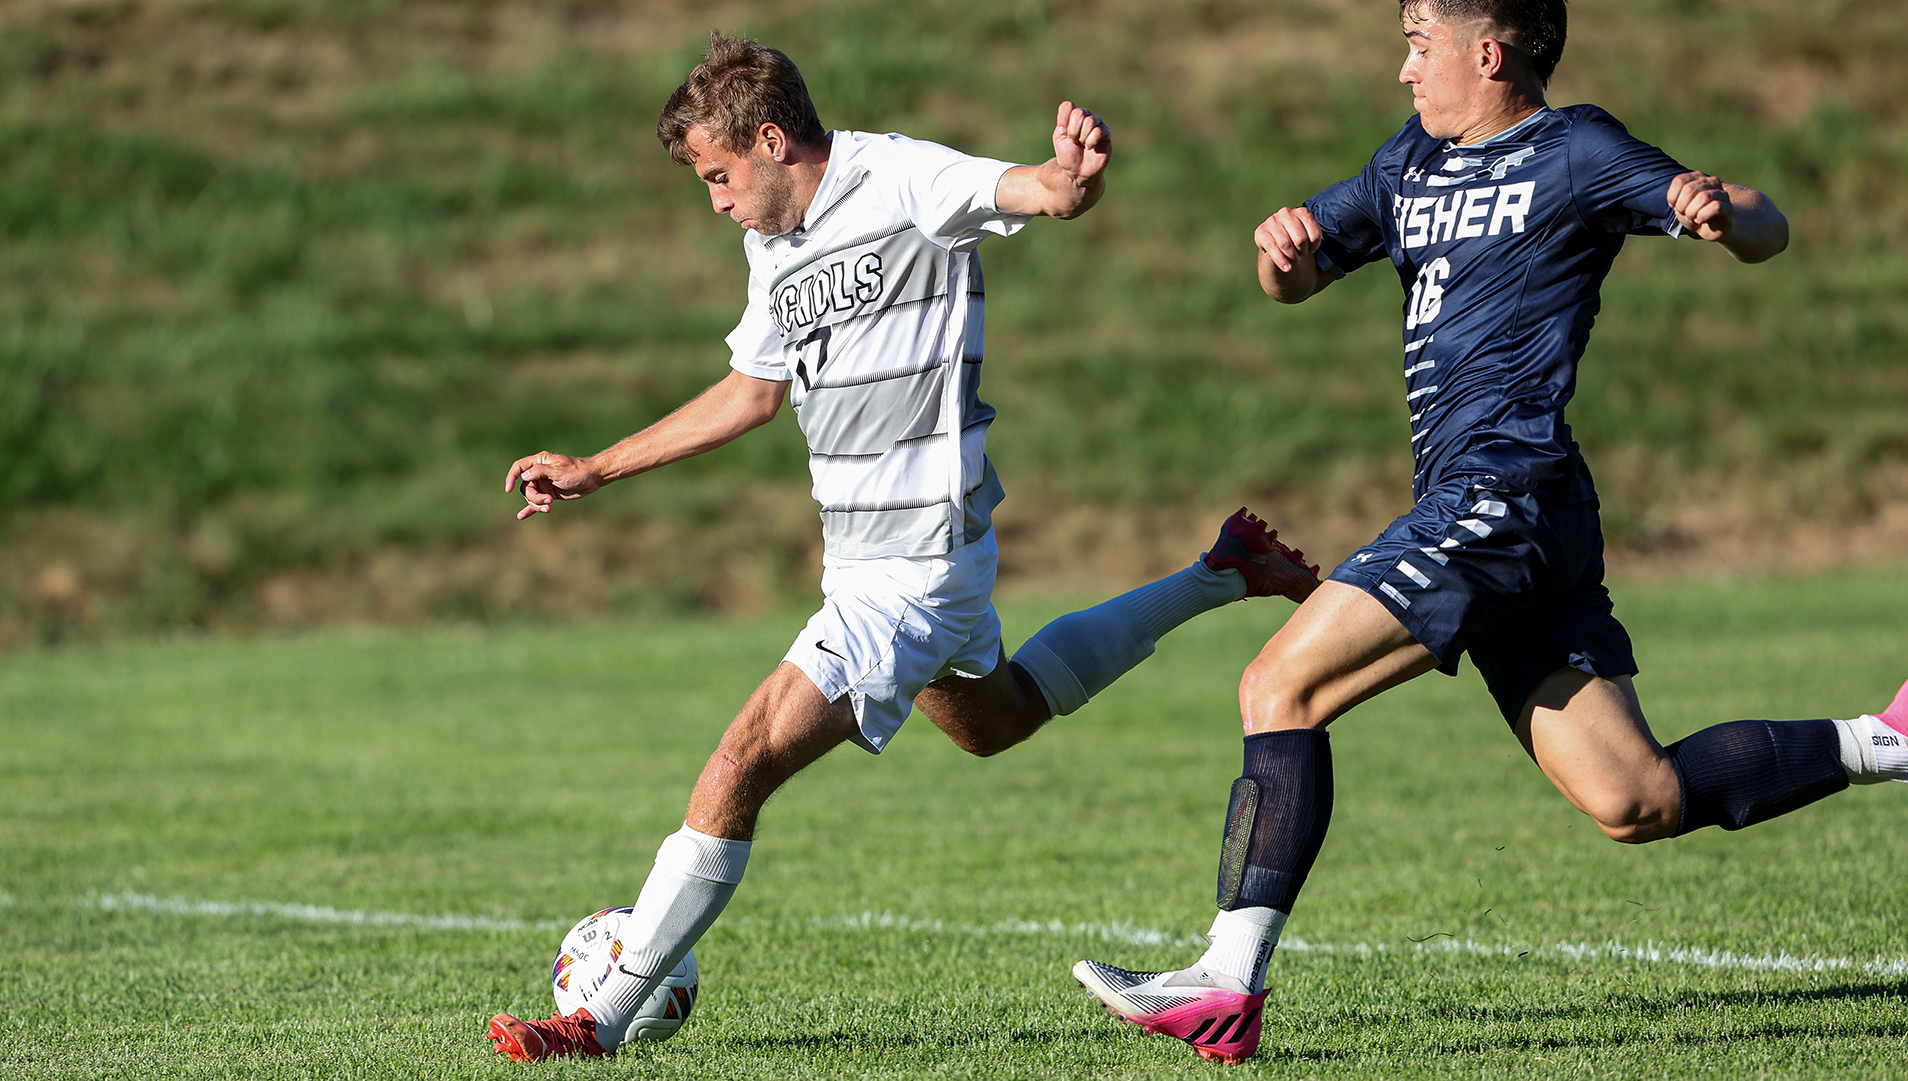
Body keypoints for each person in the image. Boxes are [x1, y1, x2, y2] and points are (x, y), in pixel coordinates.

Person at [1072, 0, 1908, 1065]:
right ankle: (1894, 739)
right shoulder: (1406, 165)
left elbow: (1765, 222)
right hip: (1525, 513)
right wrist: (1281, 255)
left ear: (1490, 51)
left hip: (1500, 494)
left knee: (1276, 687)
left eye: (1419, 44)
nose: (1402, 70)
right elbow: (1292, 275)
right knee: (1635, 796)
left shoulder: (1576, 151)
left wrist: (1720, 212)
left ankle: (1224, 979)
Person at [483, 33, 1321, 1062]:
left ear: (773, 140)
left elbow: (1035, 192)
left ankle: (595, 1021)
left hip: (912, 565)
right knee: (996, 718)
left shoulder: (903, 177)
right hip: (892, 562)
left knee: (737, 762)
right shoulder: (772, 246)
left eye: (717, 175)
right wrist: (596, 467)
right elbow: (754, 388)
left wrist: (1068, 179)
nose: (714, 203)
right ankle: (1221, 570)